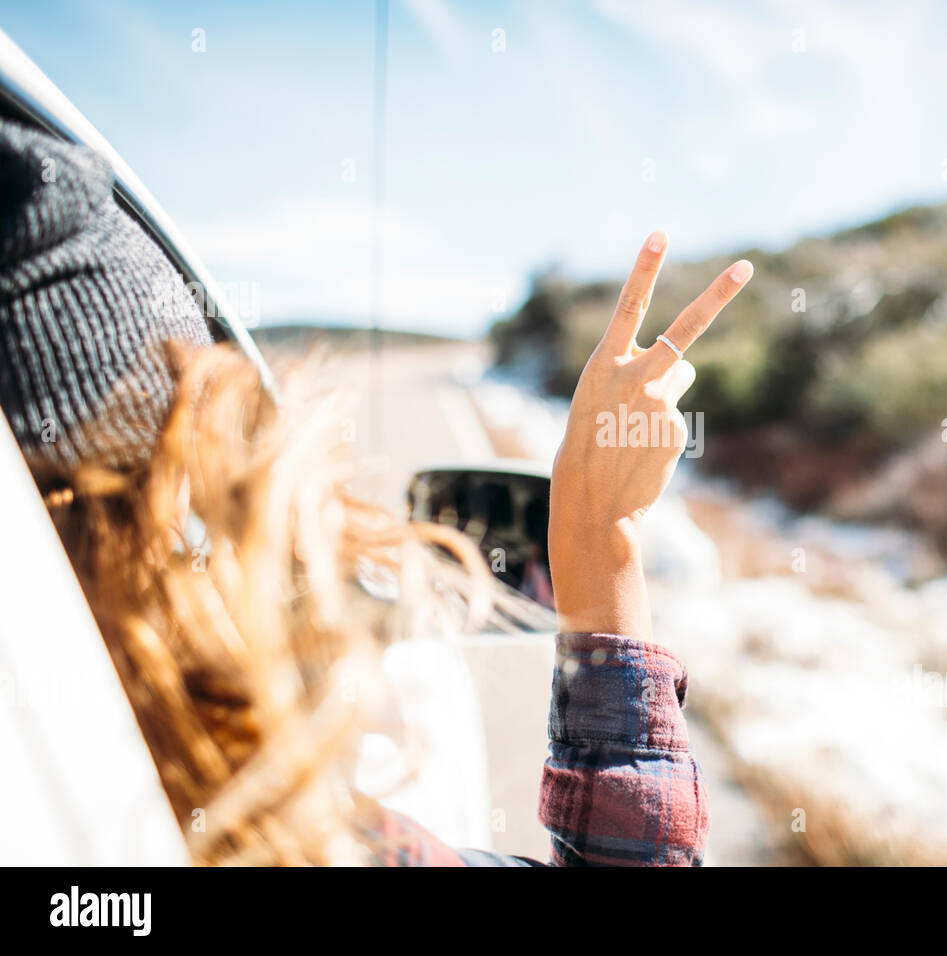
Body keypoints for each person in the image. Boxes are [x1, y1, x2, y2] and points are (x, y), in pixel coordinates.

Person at [0, 117, 753, 865]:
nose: (315, 568)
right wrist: (601, 528)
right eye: (250, 508)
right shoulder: (285, 838)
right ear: (167, 547)